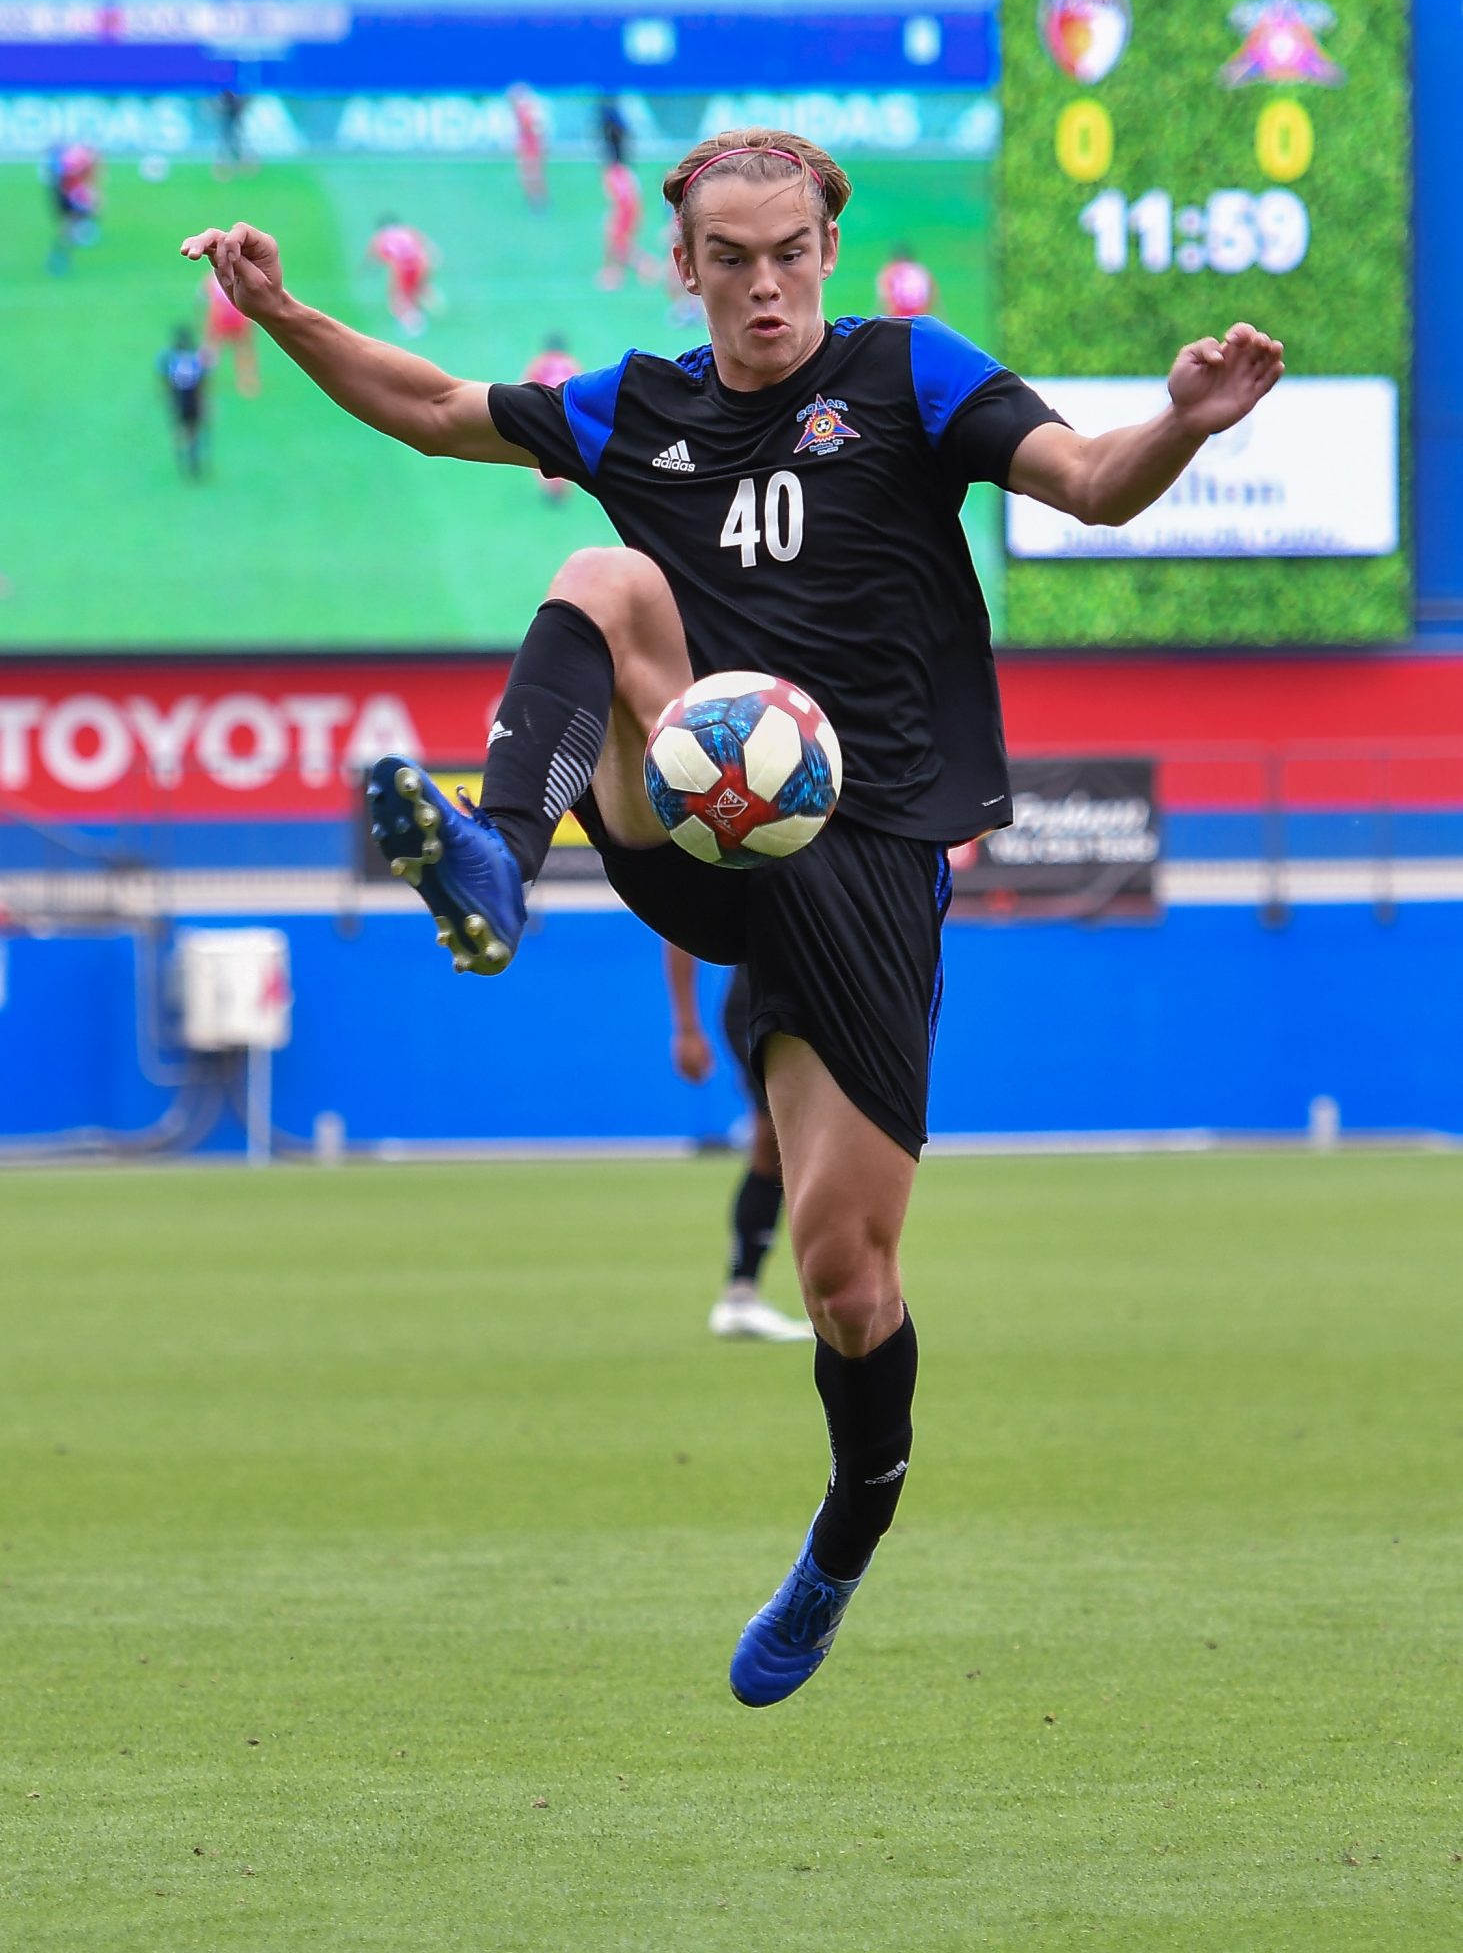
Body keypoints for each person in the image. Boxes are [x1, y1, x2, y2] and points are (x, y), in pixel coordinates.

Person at [181, 128, 1284, 1708]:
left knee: (845, 1280)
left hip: (867, 855)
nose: (762, 287)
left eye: (788, 255)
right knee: (606, 577)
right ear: (681, 264)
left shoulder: (906, 378)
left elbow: (1092, 487)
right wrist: (282, 314)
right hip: (689, 813)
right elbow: (430, 412)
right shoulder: (638, 406)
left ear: (824, 249)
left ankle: (846, 1527)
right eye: (730, 259)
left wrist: (1178, 419)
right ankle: (498, 855)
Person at [663, 949, 809, 1343]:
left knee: (774, 1149)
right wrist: (687, 1027)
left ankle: (742, 1294)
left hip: (809, 999)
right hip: (769, 1004)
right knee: (780, 1145)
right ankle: (743, 1294)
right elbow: (676, 927)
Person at [522, 337, 579, 504]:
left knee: (540, 449)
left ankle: (549, 488)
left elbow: (526, 385)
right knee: (567, 449)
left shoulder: (539, 363)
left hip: (544, 409)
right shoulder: (570, 363)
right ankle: (562, 488)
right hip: (566, 411)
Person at [365, 217, 438, 337]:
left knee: (399, 297)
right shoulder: (407, 230)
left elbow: (373, 256)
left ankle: (412, 323)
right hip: (420, 264)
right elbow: (430, 248)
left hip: (402, 268)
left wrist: (369, 269)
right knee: (415, 291)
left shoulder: (380, 237)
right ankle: (426, 304)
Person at [157, 327, 212, 479]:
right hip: (193, 400)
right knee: (194, 431)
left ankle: (183, 458)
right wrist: (205, 403)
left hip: (179, 400)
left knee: (181, 430)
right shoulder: (196, 358)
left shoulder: (170, 358)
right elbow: (203, 381)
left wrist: (167, 398)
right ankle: (192, 460)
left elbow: (165, 378)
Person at [597, 161, 657, 290]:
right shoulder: (626, 174)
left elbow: (620, 200)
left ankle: (646, 267)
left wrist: (612, 219)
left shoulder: (613, 175)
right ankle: (619, 273)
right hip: (628, 213)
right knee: (619, 246)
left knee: (619, 247)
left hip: (624, 214)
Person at [201, 269, 261, 397]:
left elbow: (207, 301)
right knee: (240, 349)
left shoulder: (213, 278)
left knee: (217, 349)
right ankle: (247, 381)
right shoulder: (238, 275)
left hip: (226, 318)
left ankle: (205, 380)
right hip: (234, 318)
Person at [45, 142, 101, 273]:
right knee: (73, 224)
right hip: (69, 195)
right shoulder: (82, 161)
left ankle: (62, 253)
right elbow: (73, 181)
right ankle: (62, 253)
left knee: (69, 226)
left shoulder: (72, 160)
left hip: (64, 194)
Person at [508, 85, 549, 209]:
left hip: (531, 145)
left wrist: (536, 131)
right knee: (529, 173)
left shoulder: (528, 109)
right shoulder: (523, 109)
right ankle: (534, 197)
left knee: (533, 173)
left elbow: (537, 127)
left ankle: (538, 198)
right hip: (527, 145)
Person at [876, 243, 937, 319]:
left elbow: (886, 298)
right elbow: (931, 294)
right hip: (919, 316)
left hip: (898, 316)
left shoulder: (890, 270)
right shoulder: (920, 270)